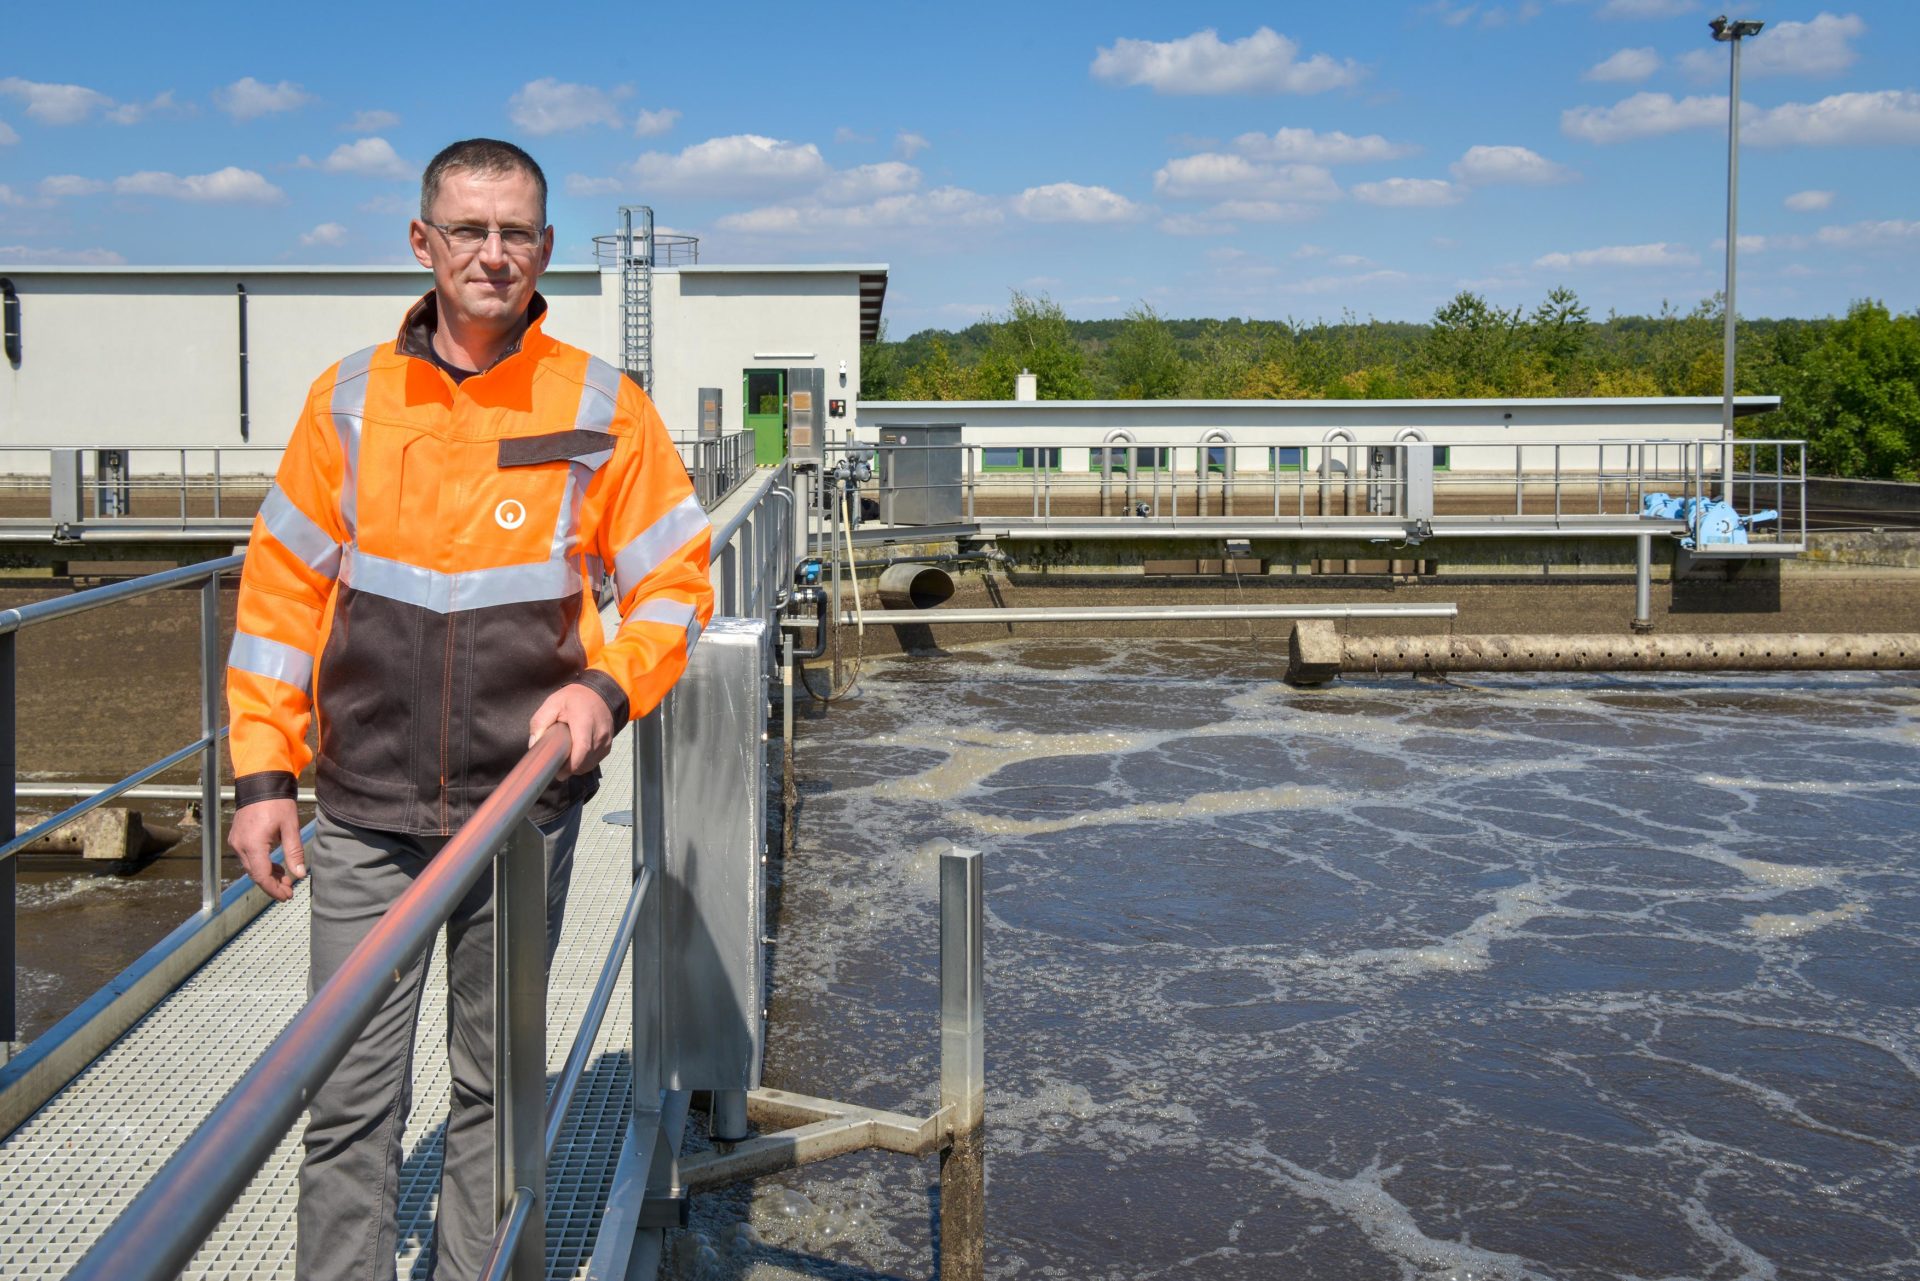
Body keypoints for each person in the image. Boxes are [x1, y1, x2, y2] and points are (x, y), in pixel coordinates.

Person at [225, 137, 714, 1281]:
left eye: (515, 233)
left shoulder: (601, 403)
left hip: (518, 812)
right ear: (423, 243)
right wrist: (260, 779)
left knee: (497, 1094)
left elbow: (677, 586)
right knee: (347, 1097)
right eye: (469, 230)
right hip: (360, 816)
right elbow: (281, 599)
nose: (492, 253)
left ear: (545, 248)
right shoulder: (348, 399)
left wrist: (604, 689)